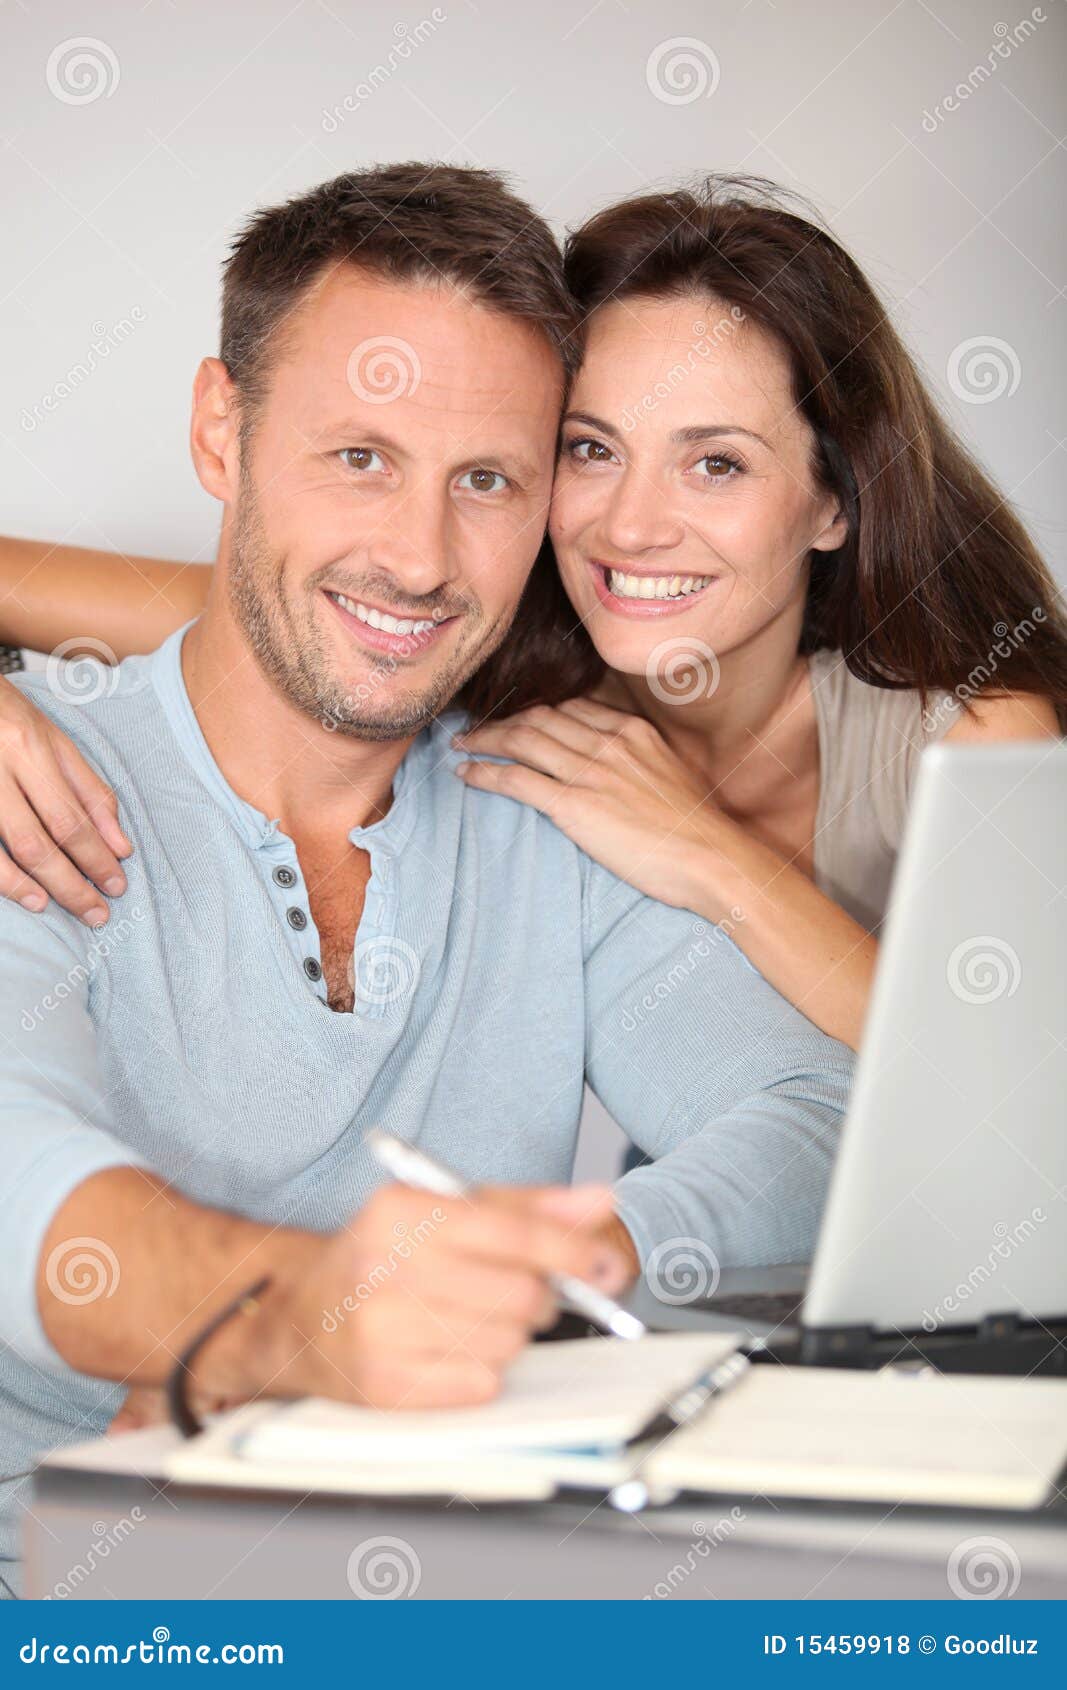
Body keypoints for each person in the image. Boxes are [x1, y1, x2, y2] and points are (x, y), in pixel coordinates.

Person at [0, 163, 852, 1579]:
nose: (415, 557)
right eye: (359, 458)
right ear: (222, 429)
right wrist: (297, 1323)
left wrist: (544, 1266)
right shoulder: (29, 778)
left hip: (450, 1578)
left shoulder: (552, 793)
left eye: (487, 482)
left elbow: (807, 1120)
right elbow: (18, 1183)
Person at [1, 179, 1062, 1053]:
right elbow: (236, 623)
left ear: (833, 499)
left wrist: (707, 854)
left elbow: (1008, 1084)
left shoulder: (972, 740)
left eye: (715, 463)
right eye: (590, 449)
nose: (633, 527)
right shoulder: (470, 647)